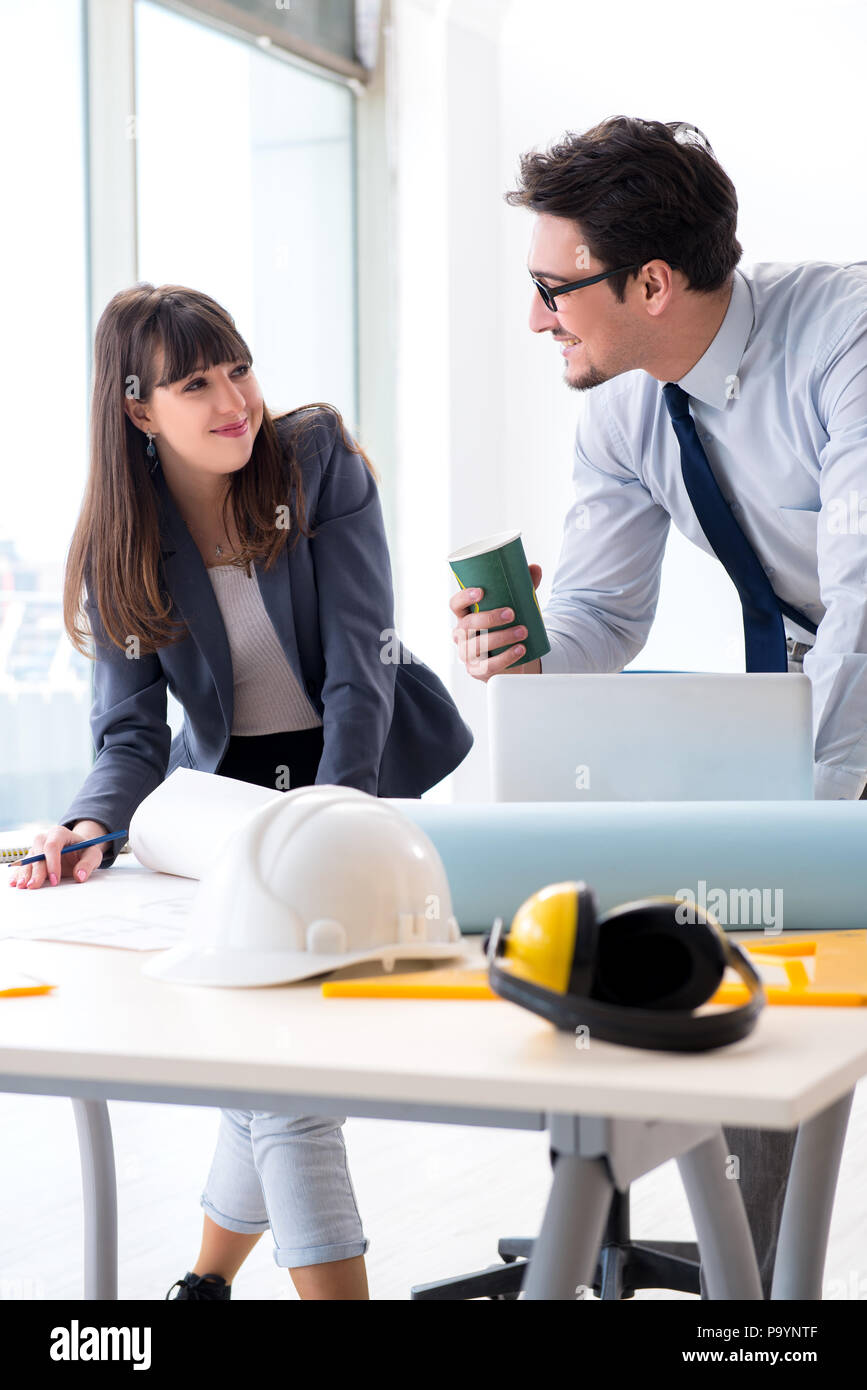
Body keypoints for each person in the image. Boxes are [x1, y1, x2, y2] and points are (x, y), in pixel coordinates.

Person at [451, 115, 867, 1300]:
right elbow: (600, 620)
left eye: (551, 287)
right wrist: (523, 660)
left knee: (800, 939)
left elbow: (863, 602)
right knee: (759, 979)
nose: (536, 317)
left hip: (854, 658)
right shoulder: (624, 409)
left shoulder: (847, 332)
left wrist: (804, 821)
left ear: (649, 281)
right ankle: (753, 1289)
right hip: (820, 687)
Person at [11, 282, 473, 1301]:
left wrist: (334, 820)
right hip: (223, 812)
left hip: (351, 783)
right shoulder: (121, 546)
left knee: (278, 1060)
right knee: (276, 1059)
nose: (235, 400)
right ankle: (207, 1286)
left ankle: (208, 1285)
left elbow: (365, 665)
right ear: (139, 409)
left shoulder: (318, 465)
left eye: (239, 368)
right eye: (195, 382)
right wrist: (91, 821)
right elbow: (129, 734)